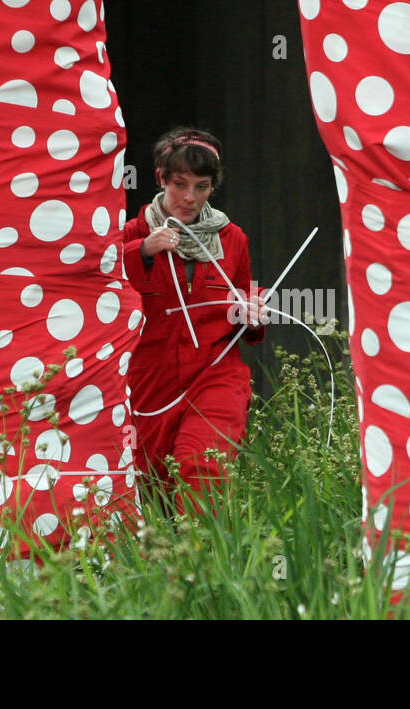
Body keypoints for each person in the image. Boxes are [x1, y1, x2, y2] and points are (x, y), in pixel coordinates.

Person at [121, 128, 267, 515]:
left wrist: (251, 311)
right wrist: (143, 251)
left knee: (203, 466)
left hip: (216, 372)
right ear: (161, 179)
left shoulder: (233, 239)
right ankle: (167, 569)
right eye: (180, 184)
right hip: (150, 382)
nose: (189, 198)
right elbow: (97, 293)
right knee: (153, 488)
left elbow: (244, 298)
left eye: (201, 187)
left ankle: (205, 561)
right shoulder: (129, 235)